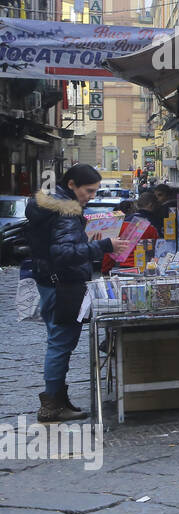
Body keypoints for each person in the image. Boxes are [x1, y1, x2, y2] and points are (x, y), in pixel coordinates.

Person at [24, 164, 121, 423]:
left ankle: (57, 399)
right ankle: (52, 405)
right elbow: (64, 253)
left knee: (59, 341)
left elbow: (60, 245)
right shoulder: (66, 211)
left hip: (51, 281)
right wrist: (103, 246)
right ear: (71, 185)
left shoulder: (52, 205)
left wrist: (87, 242)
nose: (91, 196)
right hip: (63, 284)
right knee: (61, 343)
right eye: (88, 191)